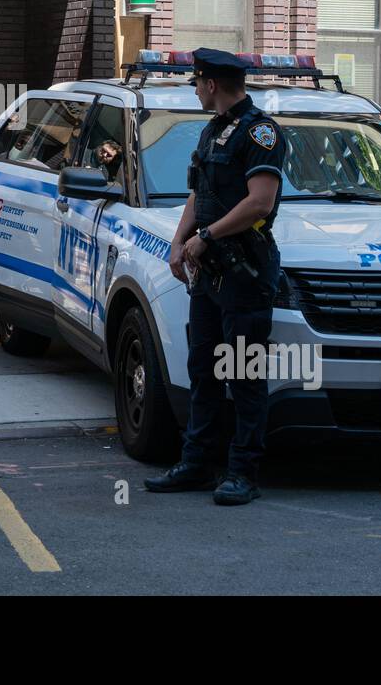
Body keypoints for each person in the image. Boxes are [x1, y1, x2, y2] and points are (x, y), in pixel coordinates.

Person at [145, 49, 287, 506]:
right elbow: (198, 193)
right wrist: (178, 240)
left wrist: (205, 236)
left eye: (196, 82)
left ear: (211, 83)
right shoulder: (212, 130)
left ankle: (242, 472)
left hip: (244, 271)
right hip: (208, 274)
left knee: (243, 374)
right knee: (203, 370)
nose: (194, 89)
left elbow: (260, 203)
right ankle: (197, 463)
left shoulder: (261, 132)